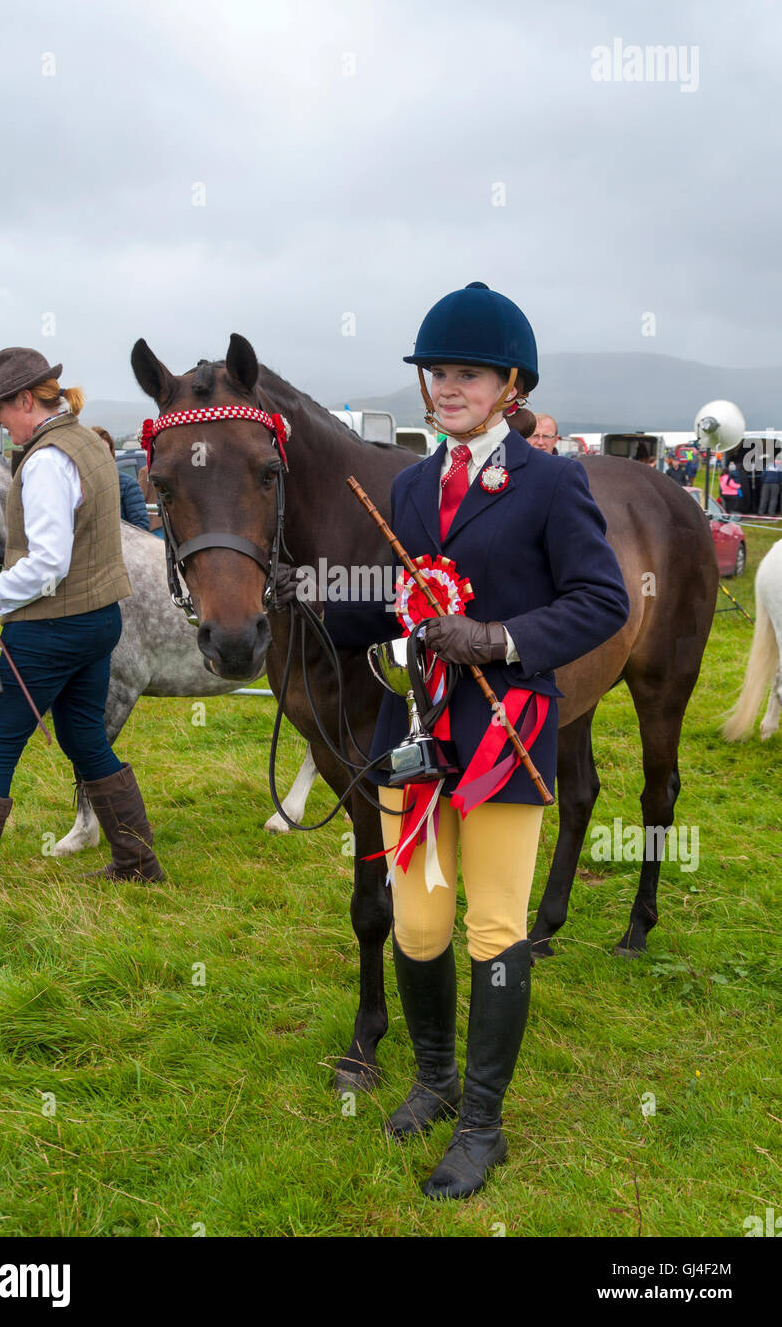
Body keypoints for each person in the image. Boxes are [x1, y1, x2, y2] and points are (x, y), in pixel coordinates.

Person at [316, 282, 630, 1199]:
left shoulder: (551, 480)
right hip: (411, 732)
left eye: (467, 374)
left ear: (509, 385)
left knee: (493, 929)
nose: (447, 388)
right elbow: (386, 599)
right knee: (417, 923)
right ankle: (435, 1080)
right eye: (435, 374)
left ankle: (483, 1125)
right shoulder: (409, 486)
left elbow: (601, 601)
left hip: (503, 733)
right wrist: (295, 597)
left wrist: (497, 639)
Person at [0, 347, 163, 921]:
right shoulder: (86, 443)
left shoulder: (48, 460)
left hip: (51, 628)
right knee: (86, 739)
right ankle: (137, 861)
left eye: (1, 411)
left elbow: (48, 564)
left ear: (27, 400)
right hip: (98, 619)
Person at [91, 426, 151, 530]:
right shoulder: (76, 484)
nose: (103, 456)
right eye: (97, 450)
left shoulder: (127, 484)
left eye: (106, 450)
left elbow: (141, 525)